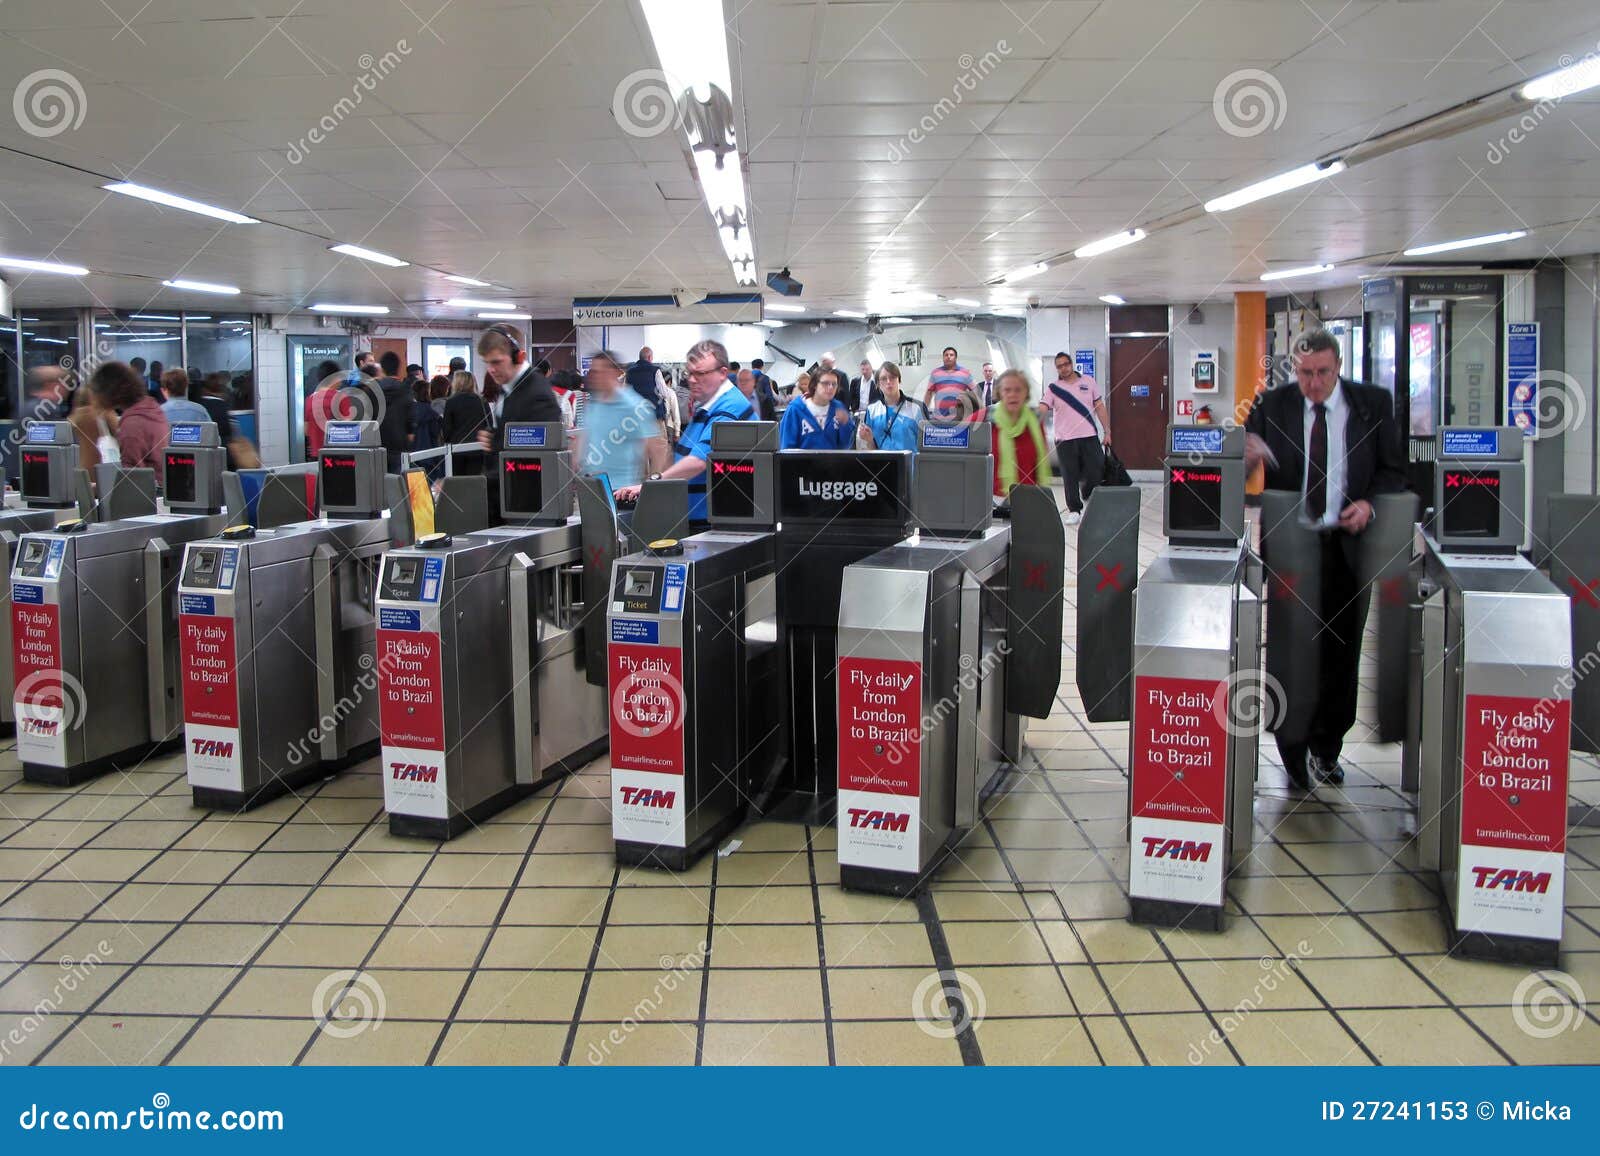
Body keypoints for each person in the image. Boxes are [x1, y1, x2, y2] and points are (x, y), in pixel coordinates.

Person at [1245, 328, 1405, 790]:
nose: (1313, 383)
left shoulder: (1372, 404)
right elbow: (1232, 462)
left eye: (1323, 373)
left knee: (1341, 650)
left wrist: (1371, 504)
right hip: (1293, 547)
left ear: (1338, 367)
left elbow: (1394, 471)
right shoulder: (1272, 405)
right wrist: (1246, 453)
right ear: (1294, 369)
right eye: (1305, 373)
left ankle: (1327, 747)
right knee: (1291, 648)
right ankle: (1291, 751)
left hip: (1347, 546)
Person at [613, 339, 752, 521]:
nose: (692, 380)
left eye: (700, 374)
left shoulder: (729, 408)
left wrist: (651, 484)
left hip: (713, 522)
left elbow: (699, 462)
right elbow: (683, 458)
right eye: (690, 373)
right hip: (692, 516)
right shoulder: (708, 405)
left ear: (722, 373)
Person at [473, 325, 564, 509]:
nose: (490, 369)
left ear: (518, 356)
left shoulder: (536, 394)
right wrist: (493, 438)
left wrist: (473, 487)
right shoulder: (508, 389)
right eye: (487, 363)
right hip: (506, 497)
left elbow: (532, 461)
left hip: (526, 504)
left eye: (497, 362)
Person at [576, 350, 668, 490]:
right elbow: (584, 438)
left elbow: (658, 449)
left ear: (614, 373)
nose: (595, 377)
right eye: (593, 372)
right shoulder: (594, 403)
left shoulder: (634, 406)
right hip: (591, 487)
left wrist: (651, 488)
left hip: (620, 489)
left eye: (601, 372)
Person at [1040, 350, 1112, 525]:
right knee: (1069, 475)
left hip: (1089, 436)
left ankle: (1088, 497)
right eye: (1059, 367)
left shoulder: (1089, 382)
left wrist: (1107, 431)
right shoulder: (1053, 389)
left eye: (1066, 364)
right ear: (1057, 369)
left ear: (1071, 364)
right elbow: (1043, 407)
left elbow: (1100, 407)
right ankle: (1074, 510)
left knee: (1097, 469)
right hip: (1065, 439)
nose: (1063, 369)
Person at [89, 361, 169, 481]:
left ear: (108, 391)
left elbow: (133, 480)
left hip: (148, 495)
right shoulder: (151, 407)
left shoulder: (132, 424)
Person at [988, 368, 1051, 499]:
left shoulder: (1035, 423)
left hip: (1028, 500)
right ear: (999, 393)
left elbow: (1041, 464)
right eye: (1007, 390)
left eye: (1018, 390)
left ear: (1026, 393)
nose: (1012, 395)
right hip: (990, 502)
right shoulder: (985, 419)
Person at [780, 366, 854, 449]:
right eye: (825, 383)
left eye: (834, 384)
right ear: (815, 385)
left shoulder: (839, 408)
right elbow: (786, 447)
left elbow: (845, 446)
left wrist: (845, 425)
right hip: (803, 461)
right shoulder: (795, 409)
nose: (830, 387)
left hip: (832, 461)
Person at [858, 361, 925, 452]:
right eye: (884, 379)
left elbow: (925, 446)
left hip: (909, 465)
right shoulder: (872, 410)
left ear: (899, 380)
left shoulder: (916, 408)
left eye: (892, 377)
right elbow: (871, 449)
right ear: (877, 384)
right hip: (882, 465)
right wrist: (869, 441)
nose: (888, 382)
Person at [371, 350, 417, 472]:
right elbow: (411, 424)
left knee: (377, 487)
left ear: (382, 369)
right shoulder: (406, 391)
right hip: (400, 448)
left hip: (377, 448)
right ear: (399, 367)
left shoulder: (373, 392)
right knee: (399, 487)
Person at [923, 346, 980, 421]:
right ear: (943, 358)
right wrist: (924, 410)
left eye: (951, 355)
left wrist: (970, 408)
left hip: (959, 418)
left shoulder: (965, 372)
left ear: (955, 358)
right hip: (938, 417)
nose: (948, 357)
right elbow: (929, 393)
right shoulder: (935, 373)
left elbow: (975, 391)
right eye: (946, 355)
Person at [304, 360, 347, 457]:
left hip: (316, 454)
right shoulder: (341, 398)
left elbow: (306, 430)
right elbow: (348, 430)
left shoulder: (310, 399)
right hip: (338, 454)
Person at [626, 346, 669, 421]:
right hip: (654, 414)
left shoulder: (629, 372)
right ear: (649, 357)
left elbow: (626, 392)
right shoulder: (655, 370)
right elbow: (664, 393)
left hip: (635, 415)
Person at [410, 378, 443, 463]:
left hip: (411, 454)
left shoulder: (408, 410)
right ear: (428, 393)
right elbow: (435, 432)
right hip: (429, 453)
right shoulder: (432, 412)